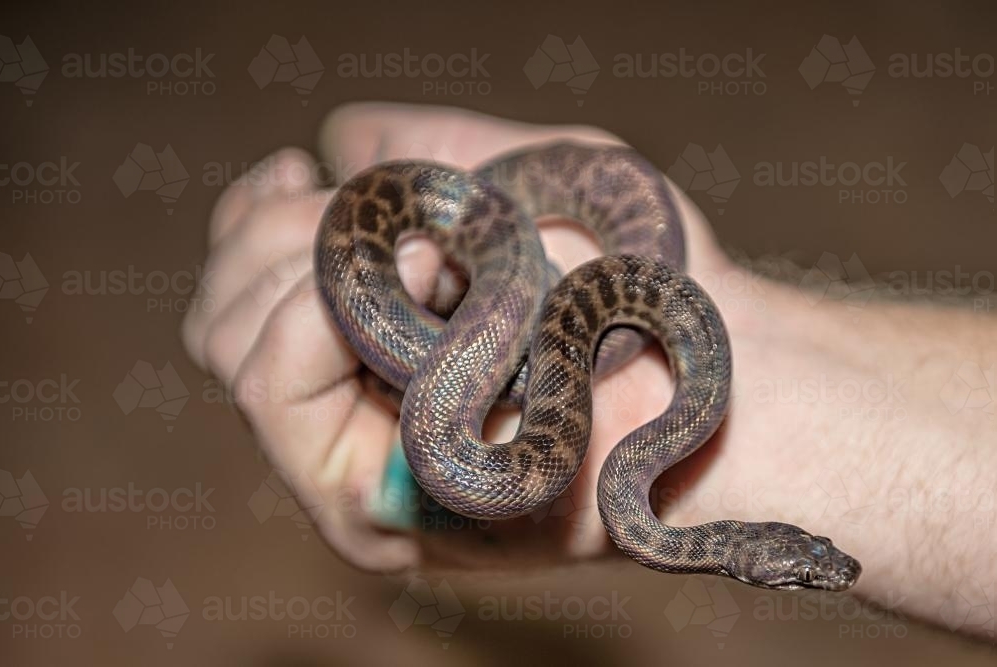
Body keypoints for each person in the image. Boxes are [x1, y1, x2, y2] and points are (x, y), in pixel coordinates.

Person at [181, 102, 996, 639]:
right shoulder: (629, 453)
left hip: (497, 325)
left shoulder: (628, 487)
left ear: (748, 557)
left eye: (802, 571)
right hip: (493, 289)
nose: (818, 572)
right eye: (804, 564)